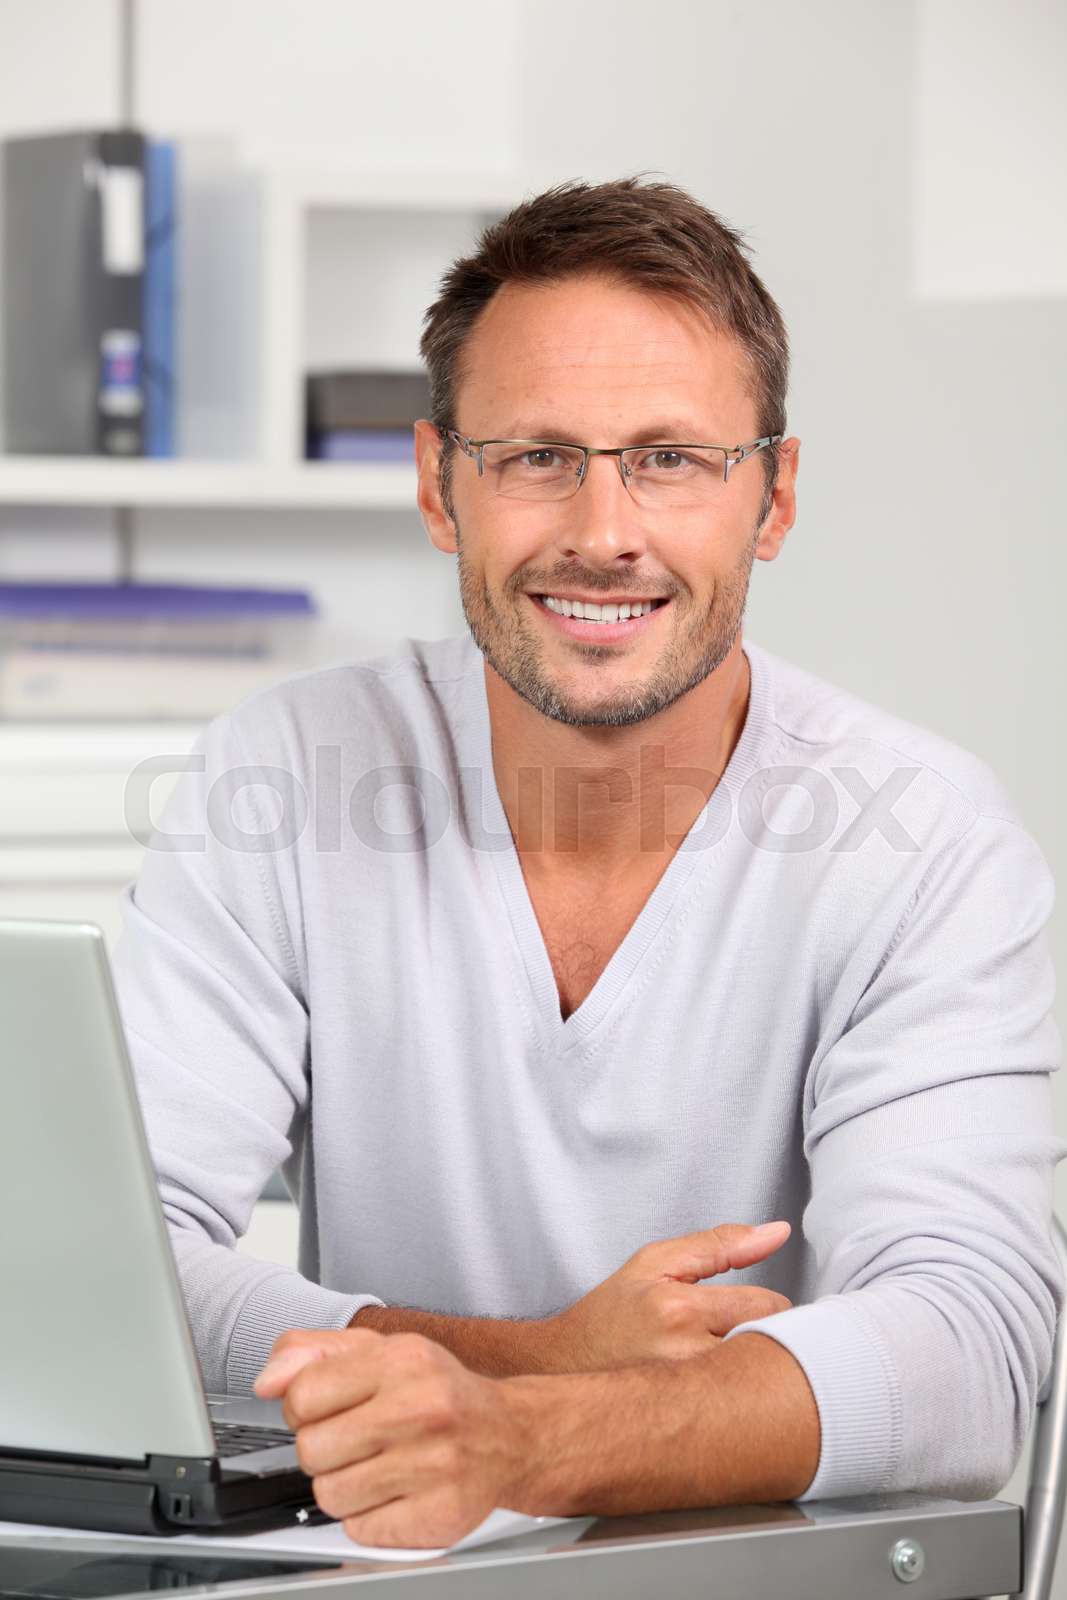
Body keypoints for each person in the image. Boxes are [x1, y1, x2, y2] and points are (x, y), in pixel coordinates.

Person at [112, 176, 1065, 1550]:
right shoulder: (287, 777)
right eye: (536, 456)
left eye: (672, 458)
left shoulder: (926, 837)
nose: (604, 528)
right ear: (441, 487)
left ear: (774, 497)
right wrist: (542, 1355)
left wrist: (526, 1436)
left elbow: (967, 1353)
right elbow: (116, 1266)